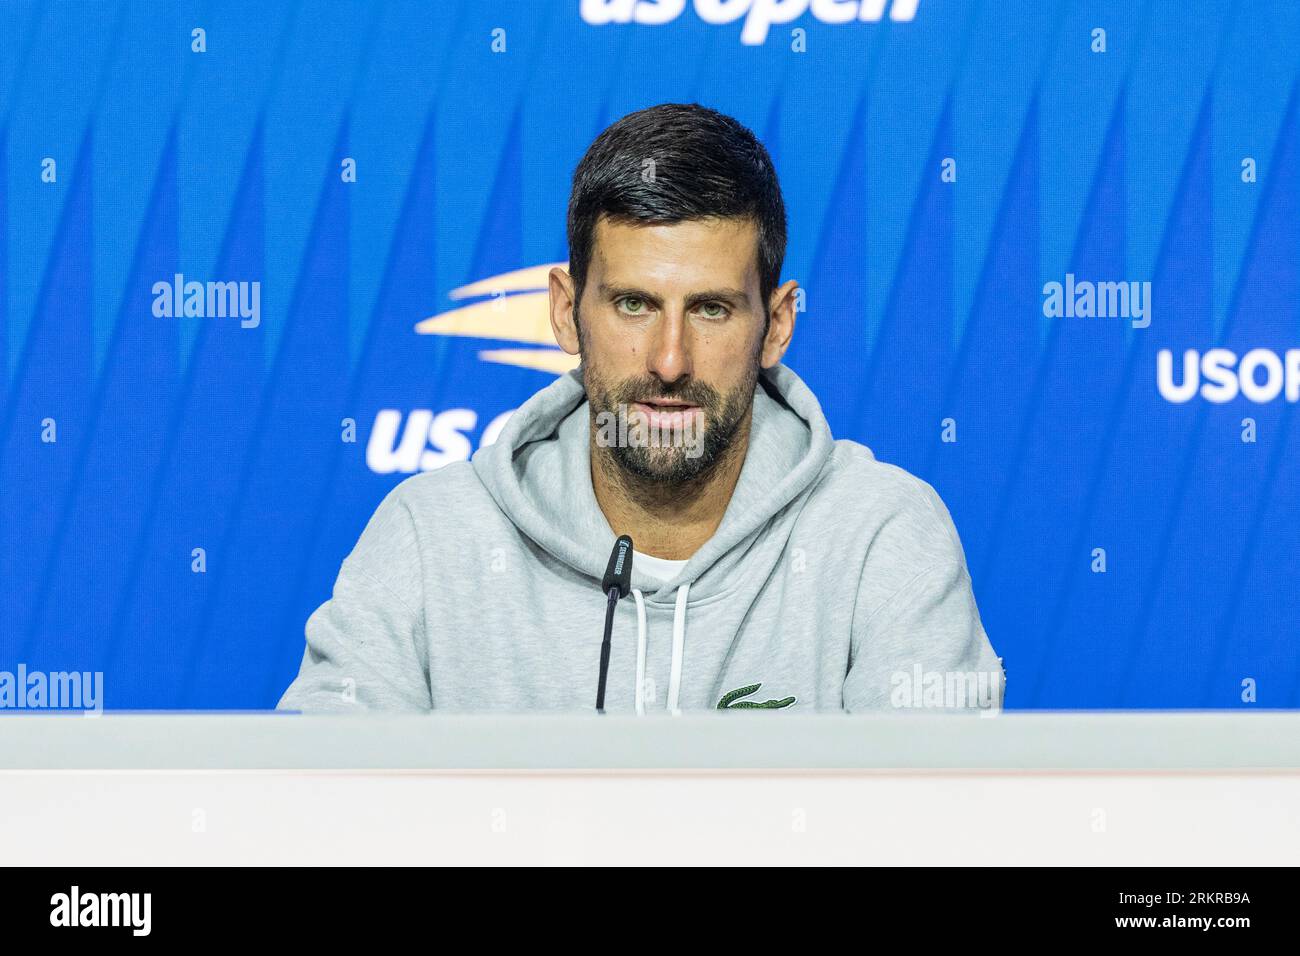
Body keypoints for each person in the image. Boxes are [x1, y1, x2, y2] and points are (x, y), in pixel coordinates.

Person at [278, 102, 1004, 714]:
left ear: (776, 325)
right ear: (566, 312)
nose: (668, 360)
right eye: (633, 304)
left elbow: (941, 832)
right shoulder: (430, 538)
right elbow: (316, 822)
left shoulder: (883, 536)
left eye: (712, 309)